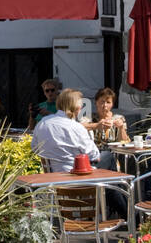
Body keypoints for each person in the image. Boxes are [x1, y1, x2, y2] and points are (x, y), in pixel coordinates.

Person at [33, 89, 126, 220]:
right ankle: (124, 211)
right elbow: (94, 155)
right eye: (81, 104)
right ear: (77, 107)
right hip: (77, 175)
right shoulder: (76, 127)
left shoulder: (43, 123)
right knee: (108, 158)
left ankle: (118, 208)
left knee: (109, 173)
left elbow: (35, 149)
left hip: (53, 175)